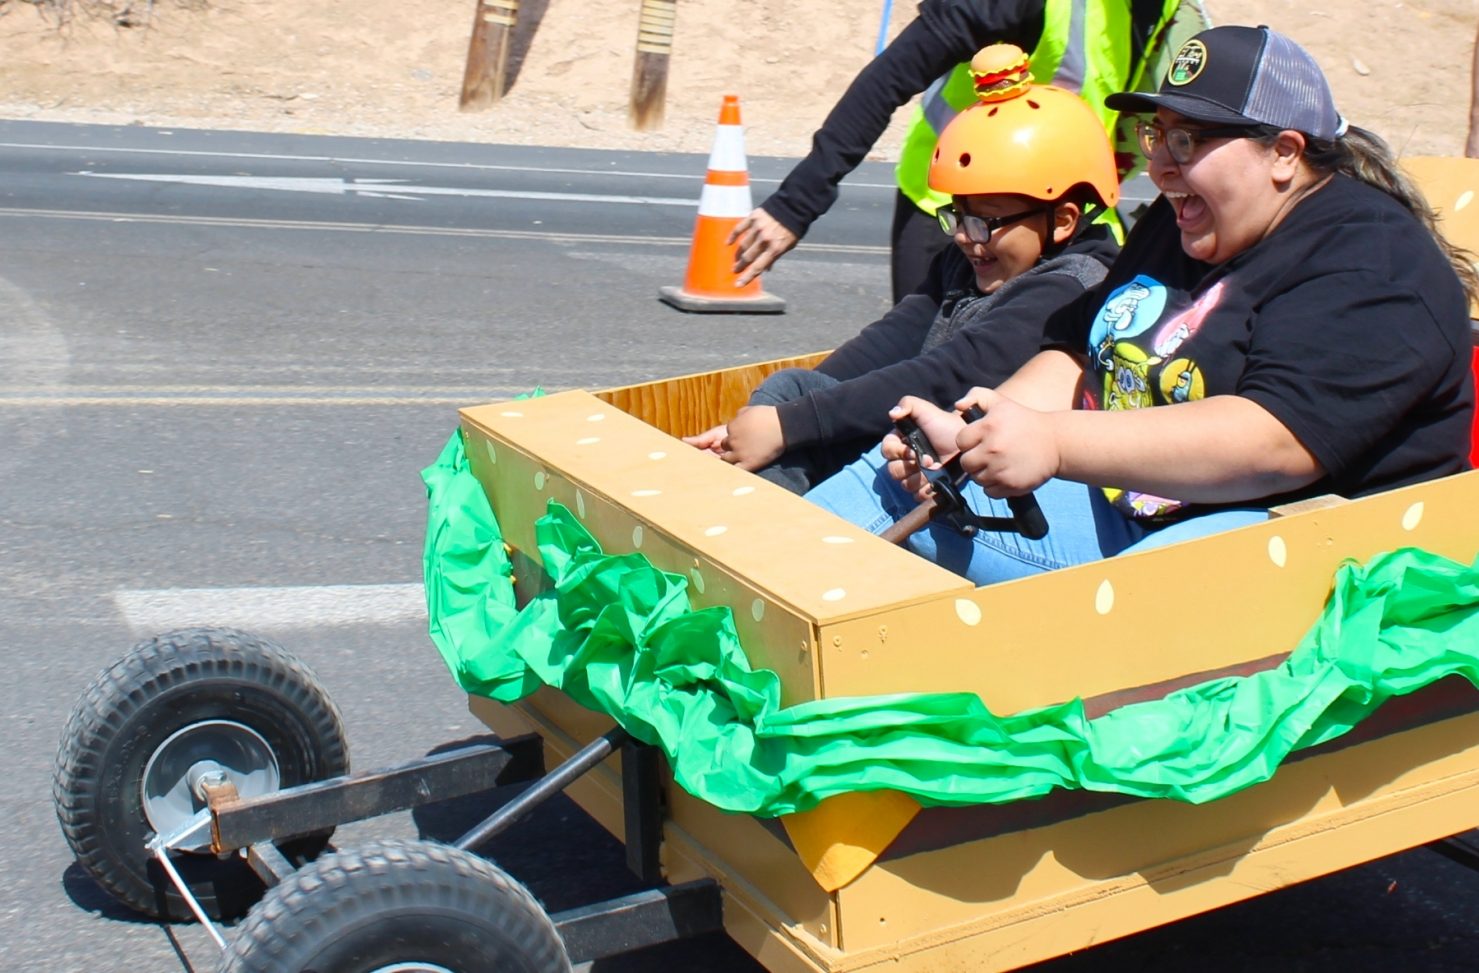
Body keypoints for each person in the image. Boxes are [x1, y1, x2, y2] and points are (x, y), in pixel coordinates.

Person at [805, 24, 1478, 586]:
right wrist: (974, 432)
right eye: (1157, 135)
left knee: (1143, 595)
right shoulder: (1183, 219)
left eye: (1188, 140)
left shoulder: (1371, 258)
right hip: (1137, 507)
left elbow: (1274, 440)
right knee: (889, 476)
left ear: (1283, 153)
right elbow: (1074, 348)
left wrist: (1052, 443)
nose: (1159, 166)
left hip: (1312, 541)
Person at [683, 44, 1121, 495]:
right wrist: (768, 426)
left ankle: (742, 518)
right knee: (793, 387)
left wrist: (791, 425)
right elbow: (893, 337)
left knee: (808, 432)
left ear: (1064, 219)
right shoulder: (977, 257)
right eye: (956, 215)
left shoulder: (1072, 286)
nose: (965, 237)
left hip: (964, 469)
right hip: (916, 427)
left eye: (984, 221)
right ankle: (736, 484)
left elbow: (948, 373)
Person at [728, 0, 1194, 303]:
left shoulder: (1164, 7)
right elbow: (890, 78)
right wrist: (796, 204)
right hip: (955, 214)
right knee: (923, 379)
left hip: (1065, 215)